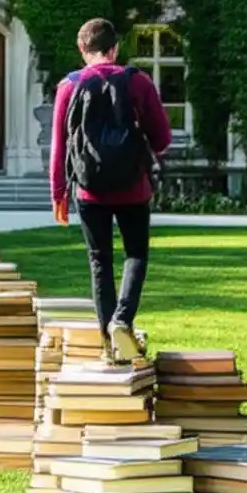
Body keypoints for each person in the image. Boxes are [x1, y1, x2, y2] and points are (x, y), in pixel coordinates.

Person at [49, 18, 172, 363]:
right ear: (115, 48)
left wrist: (58, 192)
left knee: (99, 261)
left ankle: (107, 343)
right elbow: (162, 138)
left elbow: (59, 146)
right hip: (133, 187)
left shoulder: (69, 86)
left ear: (82, 49)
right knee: (136, 254)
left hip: (89, 192)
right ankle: (123, 319)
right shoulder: (137, 82)